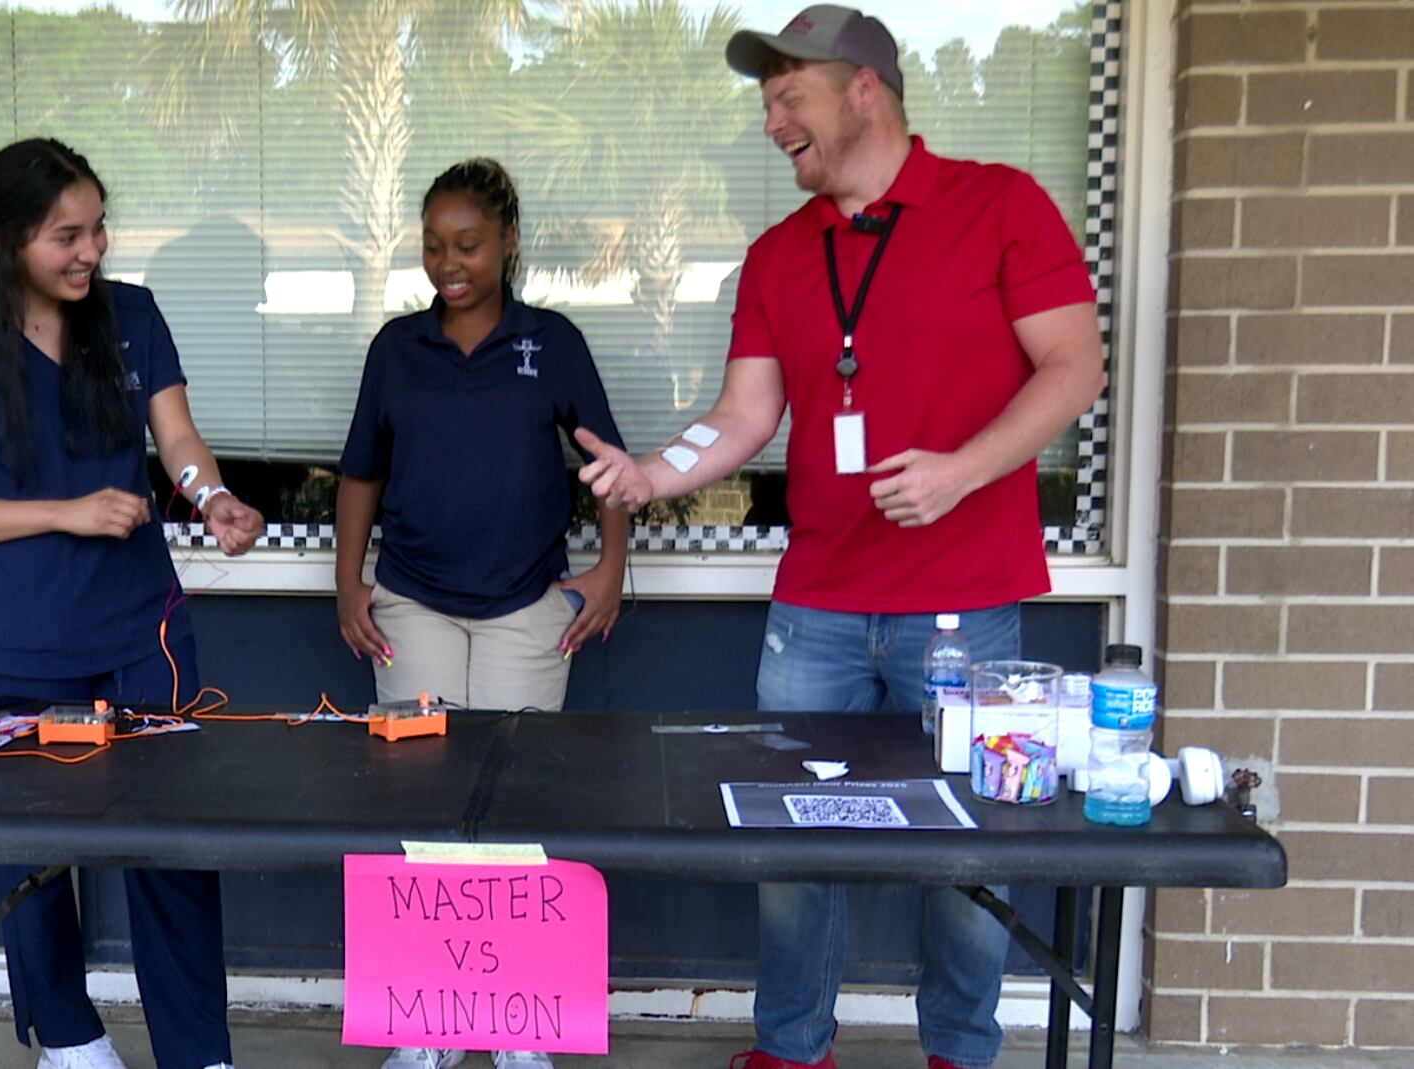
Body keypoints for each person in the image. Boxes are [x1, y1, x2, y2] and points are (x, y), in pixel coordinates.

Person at [574, 8, 1106, 1069]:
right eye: (767, 102)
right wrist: (651, 475)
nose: (772, 122)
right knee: (789, 837)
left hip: (964, 610)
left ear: (865, 88)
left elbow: (1074, 368)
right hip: (815, 606)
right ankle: (792, 1046)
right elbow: (742, 416)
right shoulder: (779, 255)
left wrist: (960, 470)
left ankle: (959, 1050)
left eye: (789, 97)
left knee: (971, 839)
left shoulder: (1001, 204)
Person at [0, 138, 263, 1069]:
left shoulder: (131, 315)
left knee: (171, 848)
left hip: (141, 633)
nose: (91, 249)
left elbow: (178, 438)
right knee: (32, 855)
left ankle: (199, 1053)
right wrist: (66, 511)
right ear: (7, 241)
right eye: (66, 235)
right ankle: (69, 1037)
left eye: (98, 228)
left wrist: (210, 495)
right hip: (15, 642)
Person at [335, 158, 632, 1069]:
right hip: (413, 601)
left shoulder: (552, 341)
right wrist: (348, 583)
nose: (448, 263)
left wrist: (612, 570)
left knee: (515, 804)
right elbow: (361, 473)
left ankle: (514, 1024)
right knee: (423, 805)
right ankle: (428, 1024)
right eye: (433, 245)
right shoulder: (397, 348)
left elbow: (609, 463)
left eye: (467, 244)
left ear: (507, 240)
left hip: (524, 606)